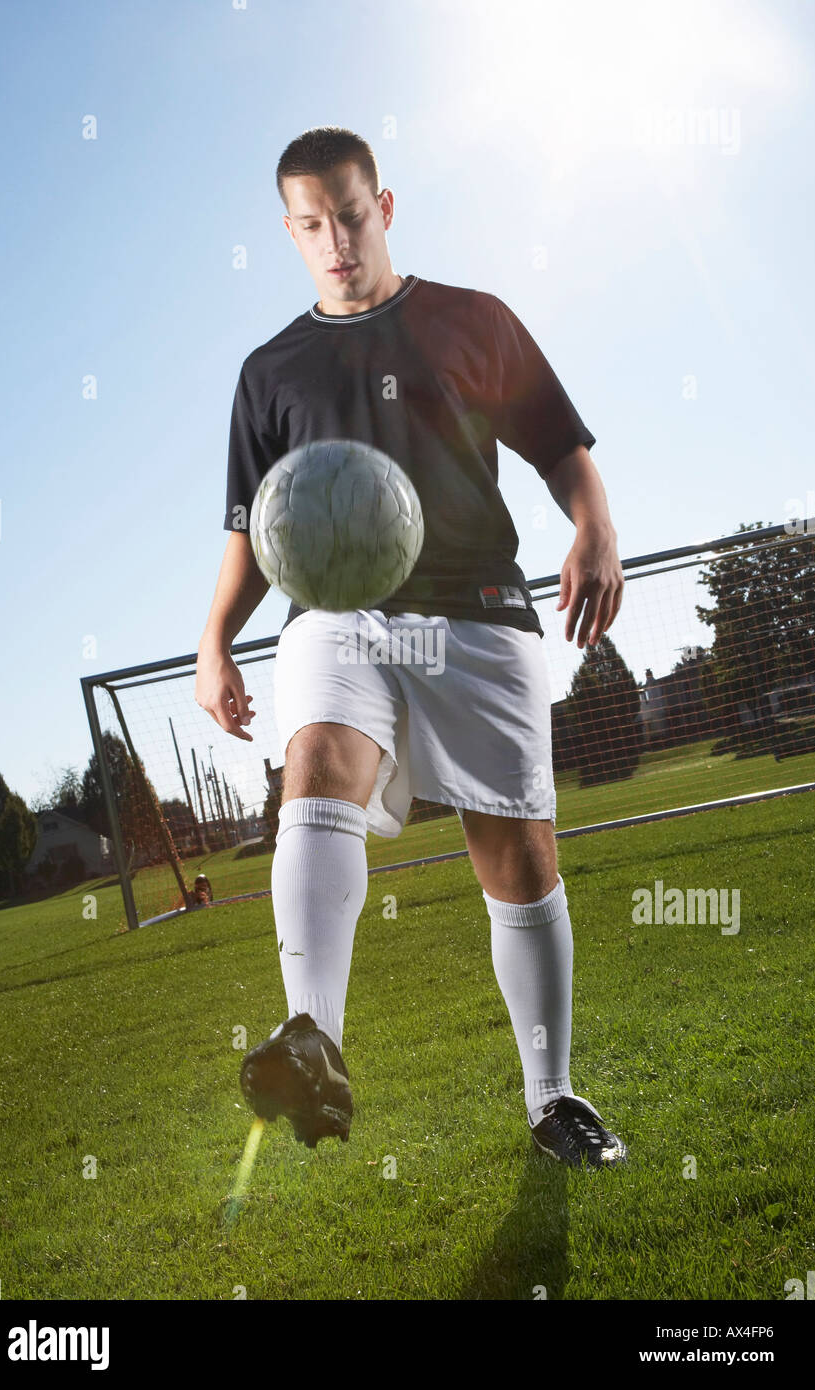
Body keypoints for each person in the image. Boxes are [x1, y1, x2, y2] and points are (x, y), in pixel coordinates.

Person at [196, 127, 626, 1166]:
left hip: (473, 608)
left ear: (382, 208)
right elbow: (254, 530)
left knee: (515, 854)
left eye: (349, 216)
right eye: (310, 226)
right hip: (335, 613)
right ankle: (315, 1043)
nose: (334, 240)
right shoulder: (269, 372)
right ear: (289, 233)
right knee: (315, 766)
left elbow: (559, 446)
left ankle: (551, 1097)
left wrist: (594, 529)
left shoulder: (471, 320)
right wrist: (213, 640)